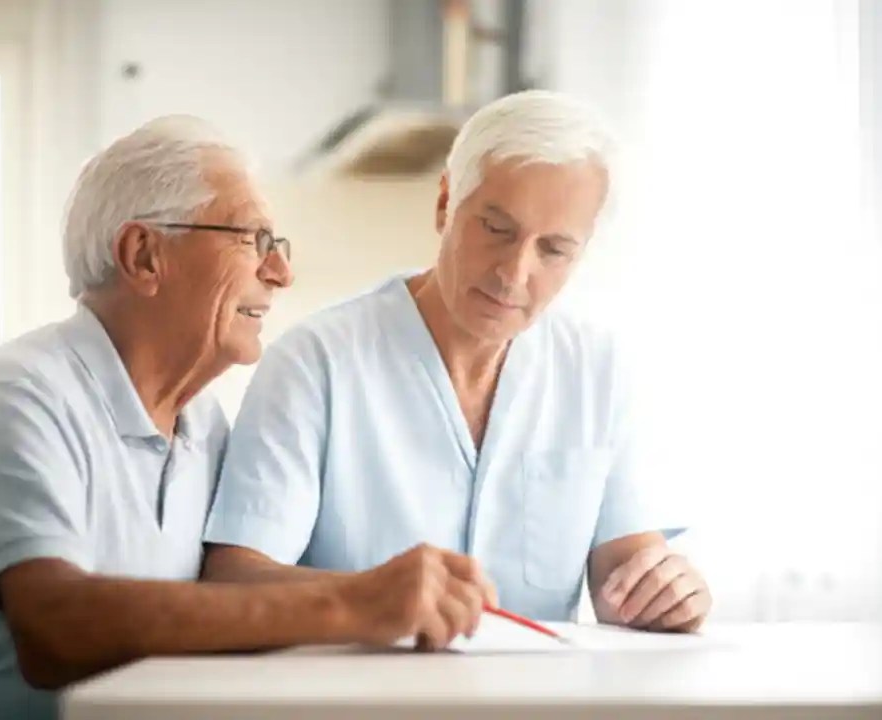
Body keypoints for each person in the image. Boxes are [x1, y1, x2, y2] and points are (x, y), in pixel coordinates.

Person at [0, 116, 494, 720]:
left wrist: (405, 590)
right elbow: (54, 630)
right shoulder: (20, 397)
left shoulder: (203, 424)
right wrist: (352, 603)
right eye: (252, 240)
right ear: (144, 255)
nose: (280, 274)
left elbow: (213, 596)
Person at [203, 91, 711, 630]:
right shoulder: (315, 363)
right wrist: (365, 598)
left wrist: (666, 594)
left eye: (554, 250)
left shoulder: (597, 372)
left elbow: (626, 580)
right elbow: (236, 578)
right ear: (445, 204)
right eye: (496, 229)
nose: (514, 272)